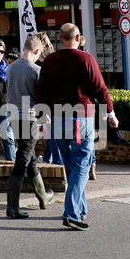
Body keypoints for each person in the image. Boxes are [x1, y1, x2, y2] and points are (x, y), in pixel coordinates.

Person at [38, 22, 117, 231]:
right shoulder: (86, 59)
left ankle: (80, 210)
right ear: (78, 37)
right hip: (79, 118)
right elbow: (101, 89)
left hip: (55, 119)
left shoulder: (49, 61)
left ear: (60, 37)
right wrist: (110, 113)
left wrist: (40, 117)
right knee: (81, 165)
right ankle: (72, 213)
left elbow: (41, 91)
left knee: (71, 166)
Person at [4, 33, 56, 217]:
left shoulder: (10, 68)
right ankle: (12, 207)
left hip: (13, 117)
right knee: (22, 160)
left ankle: (43, 196)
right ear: (36, 51)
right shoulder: (36, 71)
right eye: (39, 53)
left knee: (30, 157)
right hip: (30, 118)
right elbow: (39, 98)